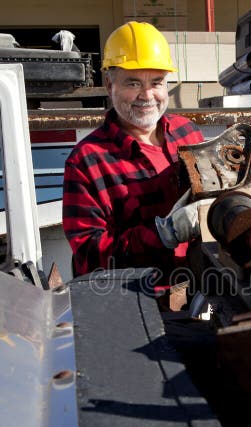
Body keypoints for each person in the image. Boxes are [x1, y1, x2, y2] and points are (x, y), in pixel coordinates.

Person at [62, 21, 204, 277]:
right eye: (133, 83)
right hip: (136, 300)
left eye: (157, 82)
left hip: (200, 289)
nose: (147, 95)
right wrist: (163, 234)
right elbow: (90, 256)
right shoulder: (87, 161)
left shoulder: (187, 134)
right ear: (109, 84)